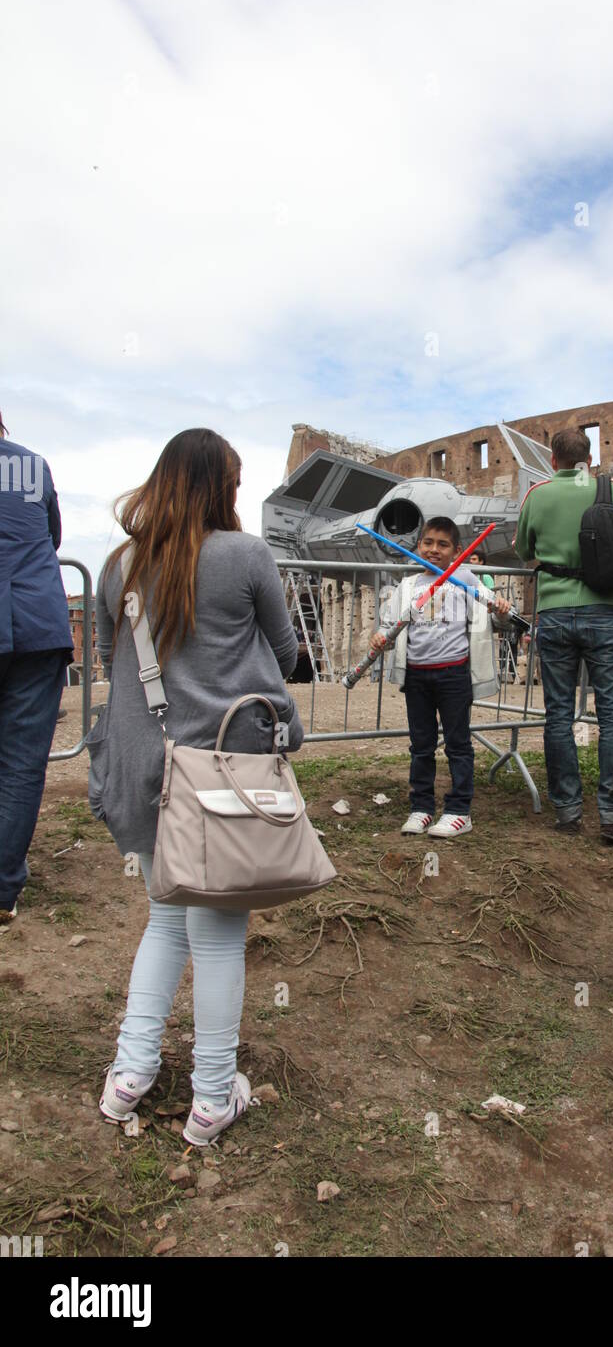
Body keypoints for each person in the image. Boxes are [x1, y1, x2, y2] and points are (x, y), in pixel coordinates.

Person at [93, 429, 303, 1143]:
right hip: (220, 779)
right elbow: (285, 652)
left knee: (163, 921)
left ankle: (129, 1077)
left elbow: (109, 658)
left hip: (146, 774)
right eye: (235, 485)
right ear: (220, 487)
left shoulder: (116, 566)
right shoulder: (245, 555)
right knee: (216, 940)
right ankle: (213, 1094)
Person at [514, 428, 613, 843]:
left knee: (559, 714)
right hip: (605, 610)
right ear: (590, 458)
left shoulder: (538, 495)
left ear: (553, 460)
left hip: (554, 612)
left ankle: (567, 811)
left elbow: (522, 549)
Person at [369, 517, 510, 837]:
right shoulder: (407, 587)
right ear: (419, 546)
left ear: (458, 551)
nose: (434, 550)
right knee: (421, 745)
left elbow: (498, 619)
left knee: (458, 745)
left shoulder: (467, 580)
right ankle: (421, 807)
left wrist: (501, 609)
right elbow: (387, 627)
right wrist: (379, 638)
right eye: (428, 543)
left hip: (454, 674)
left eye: (443, 545)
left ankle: (460, 810)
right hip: (417, 676)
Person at [0, 410, 73, 928]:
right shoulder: (31, 465)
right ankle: (2, 890)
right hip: (37, 624)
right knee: (23, 763)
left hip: (30, 625)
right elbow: (52, 536)